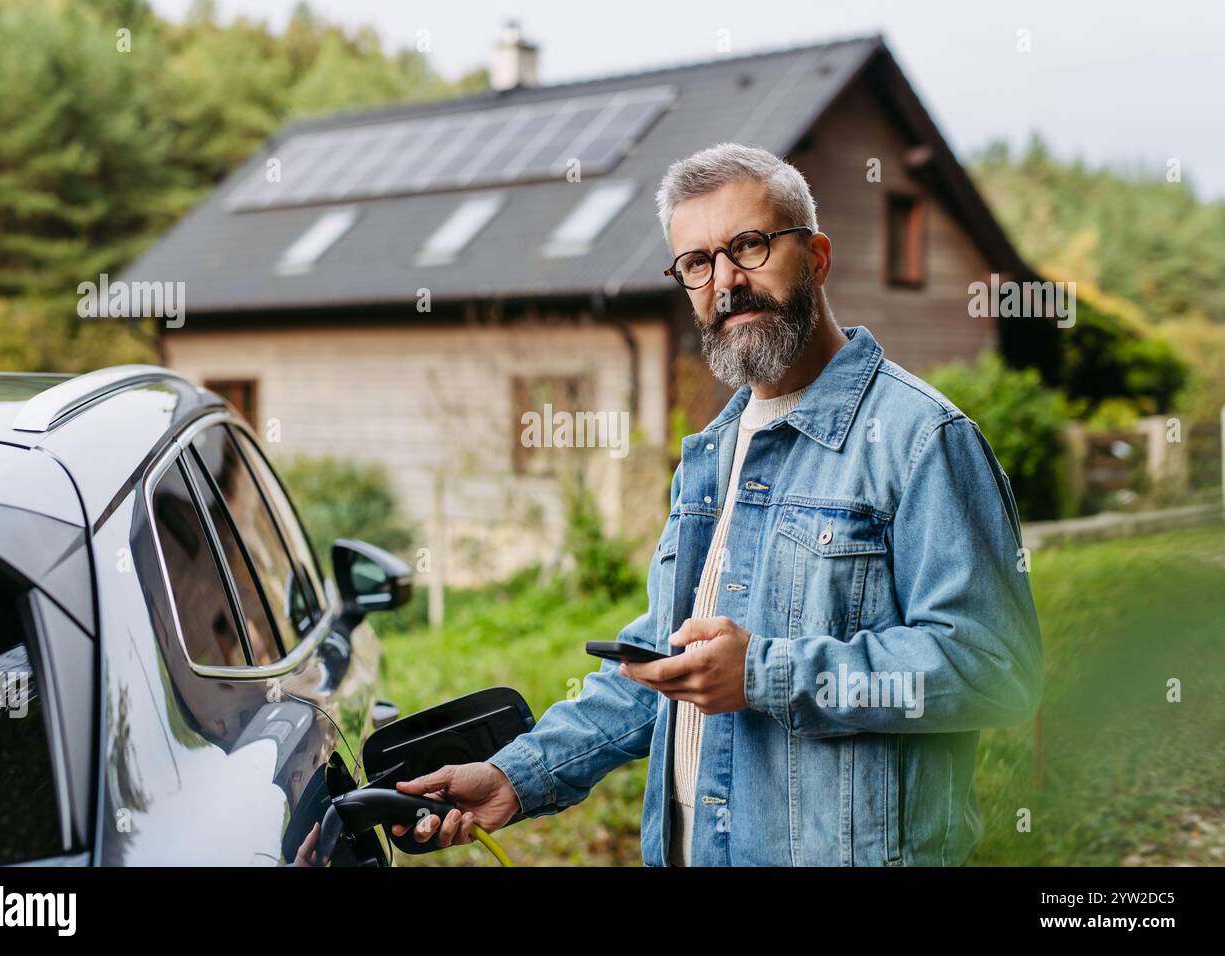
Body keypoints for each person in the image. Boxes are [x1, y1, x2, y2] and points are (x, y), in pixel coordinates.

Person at [393, 142, 1045, 866]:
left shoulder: (922, 439)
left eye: (750, 246)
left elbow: (998, 670)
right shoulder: (712, 452)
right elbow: (664, 667)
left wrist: (767, 673)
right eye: (697, 263)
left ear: (817, 257)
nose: (726, 281)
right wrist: (515, 776)